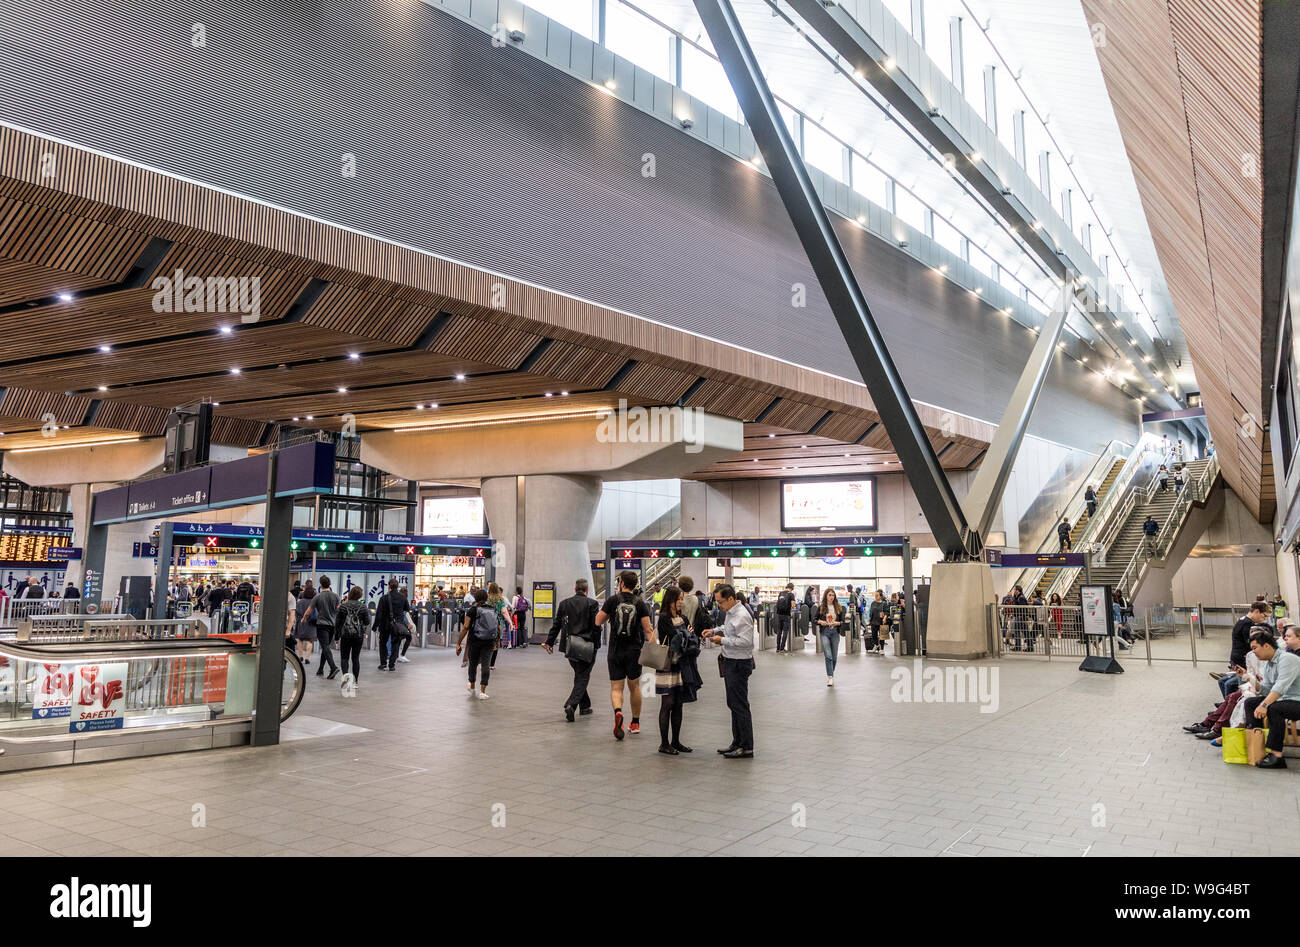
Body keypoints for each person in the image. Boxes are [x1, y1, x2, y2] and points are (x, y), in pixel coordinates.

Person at [593, 570, 655, 741]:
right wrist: (656, 648)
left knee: (616, 687)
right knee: (634, 686)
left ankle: (618, 712)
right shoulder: (641, 604)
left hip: (615, 651)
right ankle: (635, 723)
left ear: (621, 583)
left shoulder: (612, 601)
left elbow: (598, 621)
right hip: (634, 651)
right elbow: (648, 630)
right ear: (635, 585)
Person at [707, 584, 755, 758]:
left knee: (740, 705)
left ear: (730, 599)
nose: (719, 605)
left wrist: (723, 641)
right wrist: (714, 630)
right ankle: (737, 742)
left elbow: (746, 642)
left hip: (739, 663)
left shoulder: (742, 615)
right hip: (730, 662)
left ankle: (747, 746)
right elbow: (729, 630)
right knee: (733, 703)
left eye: (720, 602)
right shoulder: (731, 613)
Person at [1242, 628, 1300, 768]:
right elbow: (1267, 690)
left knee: (1274, 708)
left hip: (1297, 699)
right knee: (1250, 703)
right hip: (1285, 699)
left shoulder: (1288, 659)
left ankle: (1277, 756)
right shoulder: (1269, 664)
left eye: (1255, 648)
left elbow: (1280, 688)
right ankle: (1257, 747)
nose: (1253, 652)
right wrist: (1251, 680)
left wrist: (1264, 705)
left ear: (1266, 645)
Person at [654, 585, 702, 755]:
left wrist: (686, 635)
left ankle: (676, 740)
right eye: (679, 599)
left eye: (682, 599)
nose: (681, 602)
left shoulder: (683, 618)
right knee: (667, 703)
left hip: (682, 665)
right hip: (668, 664)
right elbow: (678, 639)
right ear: (671, 601)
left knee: (679, 703)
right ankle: (664, 743)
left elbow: (690, 637)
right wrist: (686, 634)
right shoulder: (664, 619)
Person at [545, 579, 601, 721]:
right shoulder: (592, 604)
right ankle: (571, 704)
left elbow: (556, 624)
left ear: (575, 589)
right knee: (583, 676)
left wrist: (549, 642)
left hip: (570, 647)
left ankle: (585, 706)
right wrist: (597, 644)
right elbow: (596, 626)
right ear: (586, 590)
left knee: (579, 674)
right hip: (587, 646)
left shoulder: (564, 604)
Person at [1220, 602, 1270, 697]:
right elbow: (1251, 645)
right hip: (1242, 658)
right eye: (1264, 616)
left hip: (1236, 656)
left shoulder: (1242, 620)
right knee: (1243, 686)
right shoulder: (1248, 625)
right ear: (1257, 611)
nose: (1264, 619)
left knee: (1229, 682)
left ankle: (1227, 705)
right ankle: (1231, 706)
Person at [456, 588, 497, 700]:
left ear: (475, 598)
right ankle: (483, 691)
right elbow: (495, 626)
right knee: (485, 665)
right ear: (486, 598)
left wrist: (458, 643)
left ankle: (472, 685)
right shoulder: (492, 609)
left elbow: (465, 627)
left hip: (475, 640)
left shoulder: (472, 610)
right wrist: (496, 641)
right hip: (489, 641)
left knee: (473, 663)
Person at [374, 578, 412, 672]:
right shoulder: (403, 597)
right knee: (395, 643)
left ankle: (383, 664)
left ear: (389, 586)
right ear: (397, 586)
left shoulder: (384, 598)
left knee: (383, 643)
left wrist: (375, 626)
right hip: (397, 625)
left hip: (385, 625)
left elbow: (379, 614)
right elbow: (407, 608)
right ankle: (392, 665)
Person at [336, 585, 371, 686]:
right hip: (358, 636)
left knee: (344, 658)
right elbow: (367, 621)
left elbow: (338, 623)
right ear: (360, 595)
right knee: (355, 658)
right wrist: (362, 630)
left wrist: (337, 637)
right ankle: (355, 682)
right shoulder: (363, 607)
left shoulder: (343, 606)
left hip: (345, 635)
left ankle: (346, 680)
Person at [306, 577, 340, 680]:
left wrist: (304, 618)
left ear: (321, 585)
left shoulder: (318, 596)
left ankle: (333, 667)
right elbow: (338, 609)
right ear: (329, 584)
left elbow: (309, 610)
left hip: (322, 624)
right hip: (332, 625)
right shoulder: (336, 596)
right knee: (326, 648)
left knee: (325, 646)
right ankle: (320, 669)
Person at [816, 587, 844, 685]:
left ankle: (831, 672)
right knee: (828, 655)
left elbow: (843, 621)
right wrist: (820, 621)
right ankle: (830, 677)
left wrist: (837, 623)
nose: (831, 597)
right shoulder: (821, 607)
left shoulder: (839, 607)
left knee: (834, 657)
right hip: (825, 632)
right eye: (829, 595)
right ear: (826, 596)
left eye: (833, 595)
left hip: (835, 632)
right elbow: (815, 620)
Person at [293, 580, 316, 665]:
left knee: (300, 639)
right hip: (311, 623)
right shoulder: (314, 602)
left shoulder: (300, 602)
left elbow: (296, 613)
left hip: (301, 622)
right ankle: (307, 658)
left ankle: (300, 656)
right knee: (310, 641)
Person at [773, 582, 795, 653]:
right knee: (785, 631)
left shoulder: (781, 593)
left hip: (779, 614)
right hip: (786, 615)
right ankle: (782, 648)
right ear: (792, 588)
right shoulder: (791, 594)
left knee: (779, 631)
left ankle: (778, 648)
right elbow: (793, 605)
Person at [868, 589, 887, 654]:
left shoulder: (884, 603)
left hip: (881, 621)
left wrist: (884, 618)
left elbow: (887, 612)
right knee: (874, 635)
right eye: (875, 595)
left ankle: (882, 649)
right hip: (873, 621)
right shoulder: (873, 603)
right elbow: (871, 611)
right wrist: (869, 619)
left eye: (877, 595)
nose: (875, 597)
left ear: (880, 596)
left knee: (882, 635)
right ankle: (876, 645)